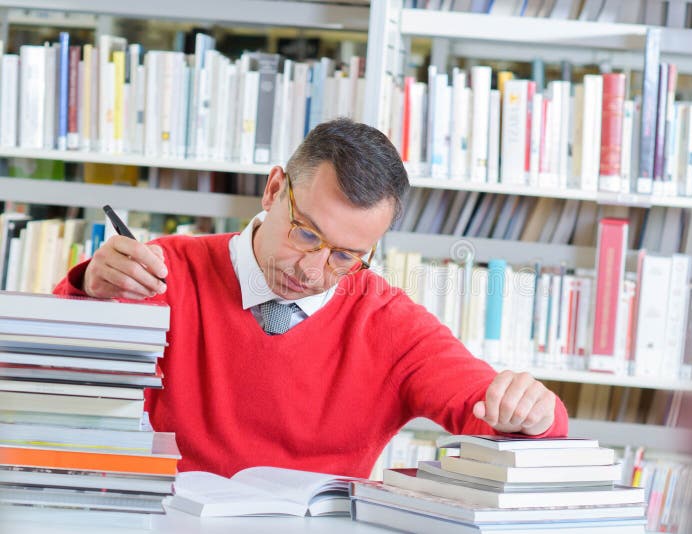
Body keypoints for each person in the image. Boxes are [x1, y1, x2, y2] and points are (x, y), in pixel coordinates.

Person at [54, 119, 568, 478]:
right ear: (275, 189)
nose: (312, 270)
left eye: (346, 255)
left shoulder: (388, 322)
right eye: (305, 235)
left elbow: (499, 419)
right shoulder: (163, 273)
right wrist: (88, 292)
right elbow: (56, 386)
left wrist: (532, 413)